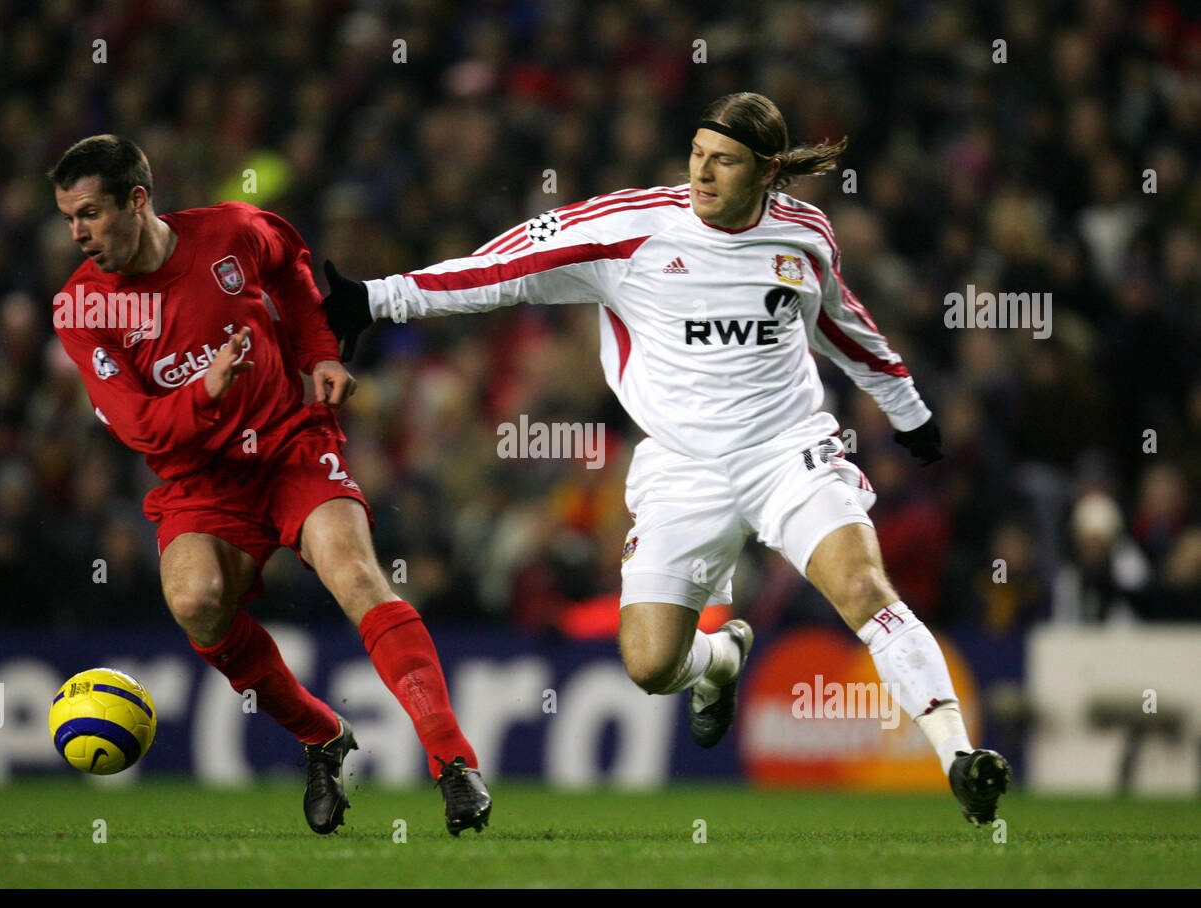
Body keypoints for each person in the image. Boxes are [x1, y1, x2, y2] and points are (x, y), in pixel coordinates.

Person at [323, 93, 1010, 826]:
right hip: (683, 469)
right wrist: (376, 298)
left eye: (724, 161)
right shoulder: (629, 228)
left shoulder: (806, 234)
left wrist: (908, 410)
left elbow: (842, 327)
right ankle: (720, 658)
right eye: (696, 154)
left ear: (768, 171)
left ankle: (959, 758)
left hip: (789, 450)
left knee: (865, 587)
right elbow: (506, 268)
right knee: (651, 664)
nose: (703, 175)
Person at [48, 135, 490, 835]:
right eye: (69, 218)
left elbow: (292, 266)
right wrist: (206, 390)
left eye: (91, 214)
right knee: (195, 600)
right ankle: (322, 735)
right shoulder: (82, 308)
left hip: (290, 444)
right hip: (201, 478)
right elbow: (138, 428)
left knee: (354, 574)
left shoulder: (232, 231)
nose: (78, 234)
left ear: (138, 199)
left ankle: (454, 763)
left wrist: (318, 353)